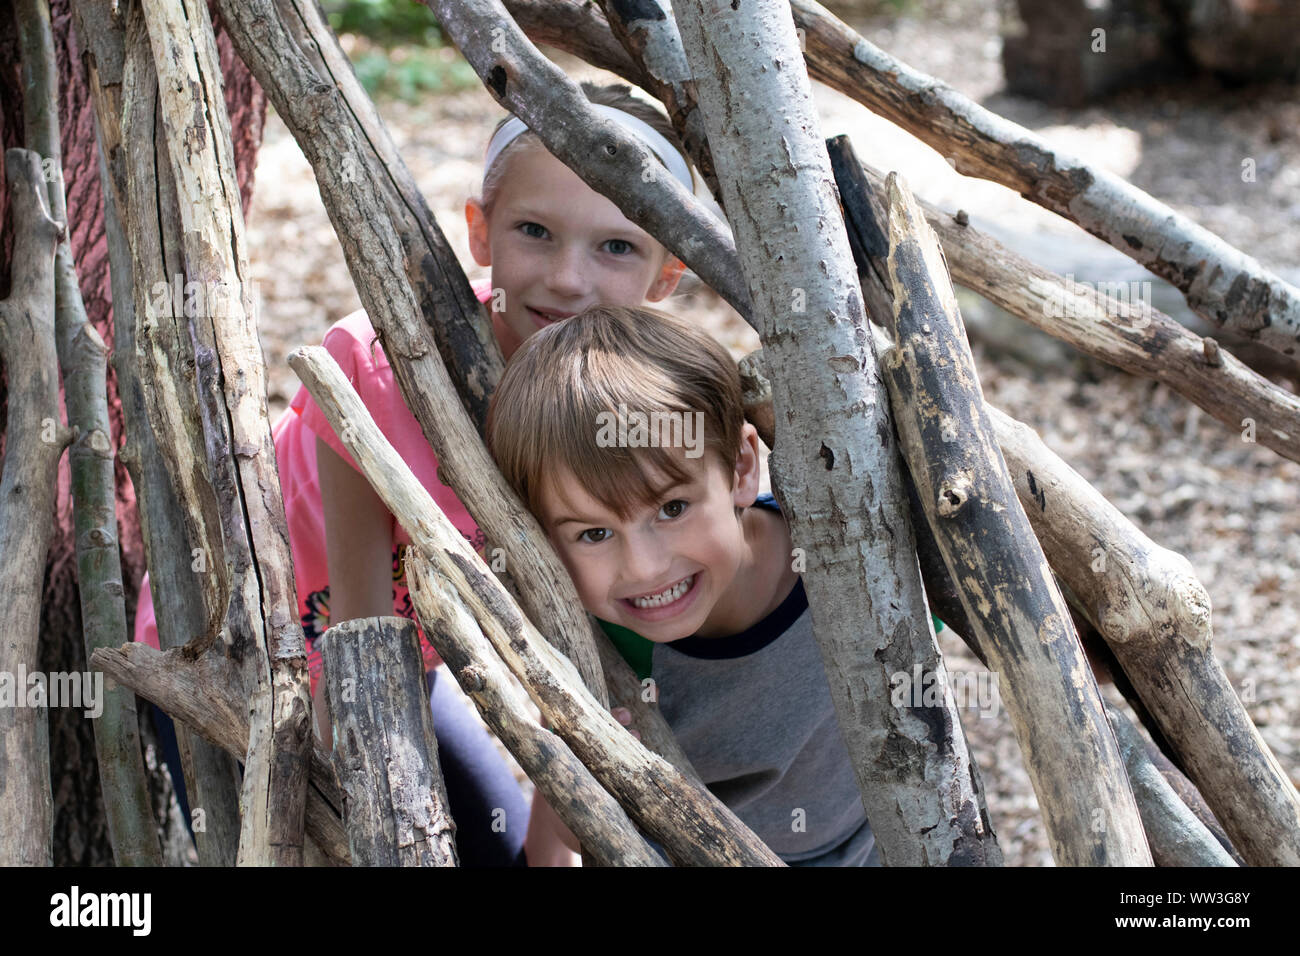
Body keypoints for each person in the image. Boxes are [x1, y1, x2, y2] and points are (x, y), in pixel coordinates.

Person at [133, 82, 692, 867]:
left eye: (617, 247)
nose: (569, 279)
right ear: (481, 231)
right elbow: (358, 638)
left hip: (412, 659)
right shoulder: (384, 376)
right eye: (536, 231)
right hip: (244, 654)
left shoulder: (626, 414)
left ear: (666, 277)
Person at [486, 304, 893, 865]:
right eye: (595, 532)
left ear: (742, 468)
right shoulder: (606, 646)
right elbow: (575, 830)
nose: (646, 567)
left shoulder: (854, 566)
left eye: (673, 507)